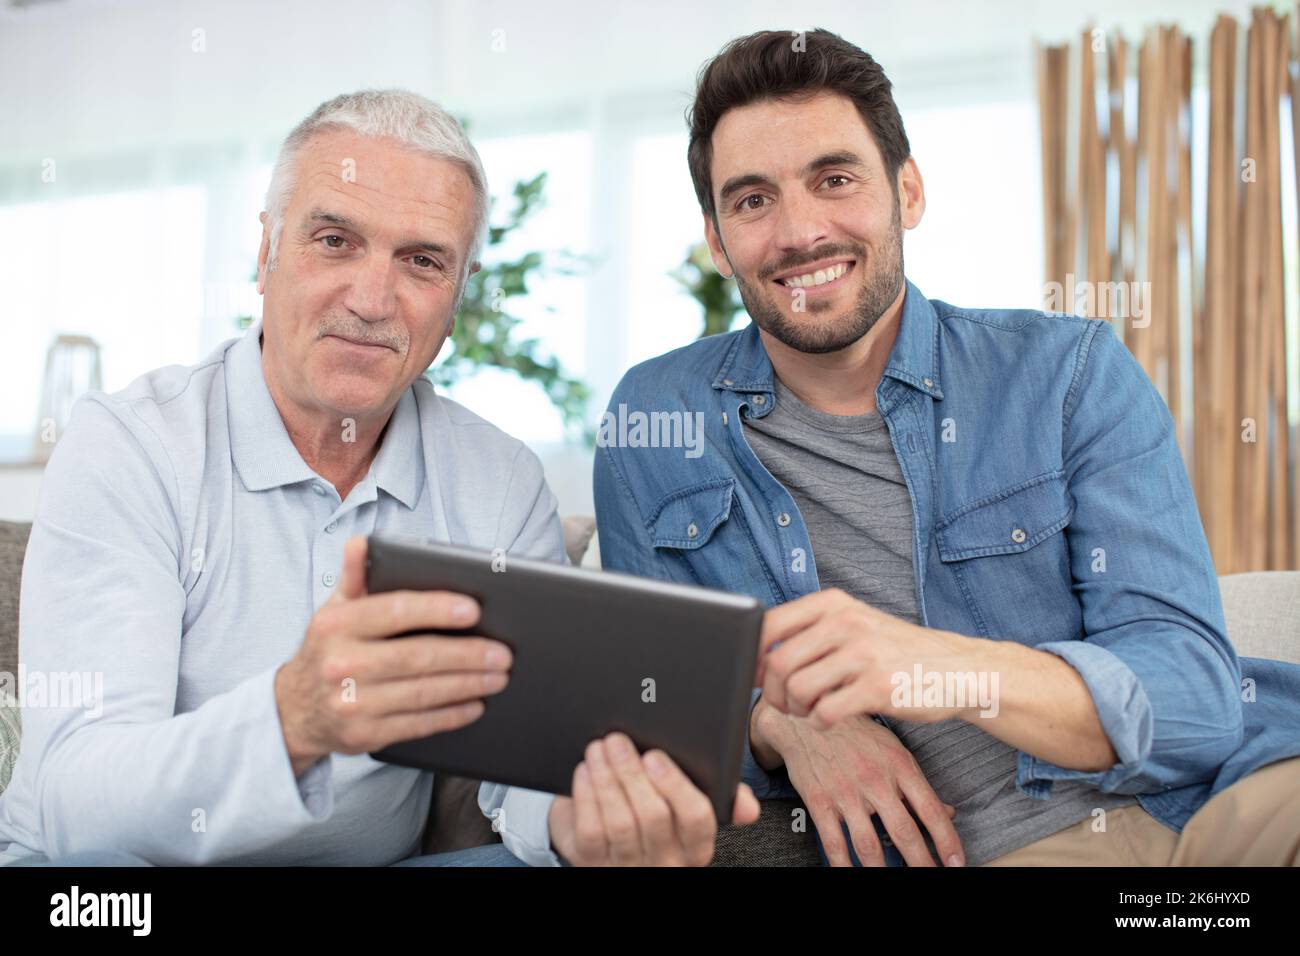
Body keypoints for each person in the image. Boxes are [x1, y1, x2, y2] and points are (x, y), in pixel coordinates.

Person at [594, 29, 1300, 867]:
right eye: (752, 201)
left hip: (1210, 798)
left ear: (908, 191)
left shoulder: (1067, 373)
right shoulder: (655, 419)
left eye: (835, 179)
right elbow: (649, 694)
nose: (799, 231)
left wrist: (933, 665)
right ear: (716, 242)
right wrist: (777, 718)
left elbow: (1193, 696)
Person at [0, 89, 756, 868]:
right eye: (334, 240)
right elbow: (78, 806)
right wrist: (292, 721)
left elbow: (526, 764)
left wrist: (582, 820)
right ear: (265, 253)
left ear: (458, 299)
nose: (370, 300)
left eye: (423, 261)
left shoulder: (497, 479)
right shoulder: (131, 445)